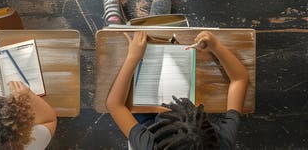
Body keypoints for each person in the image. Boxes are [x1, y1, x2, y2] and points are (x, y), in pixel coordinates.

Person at [106, 30, 249, 148]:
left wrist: (133, 56)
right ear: (211, 132)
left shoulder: (147, 145)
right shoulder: (220, 145)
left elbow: (115, 105)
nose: (167, 108)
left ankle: (151, 29)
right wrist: (216, 45)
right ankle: (153, 30)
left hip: (145, 126)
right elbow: (240, 79)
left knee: (133, 95)